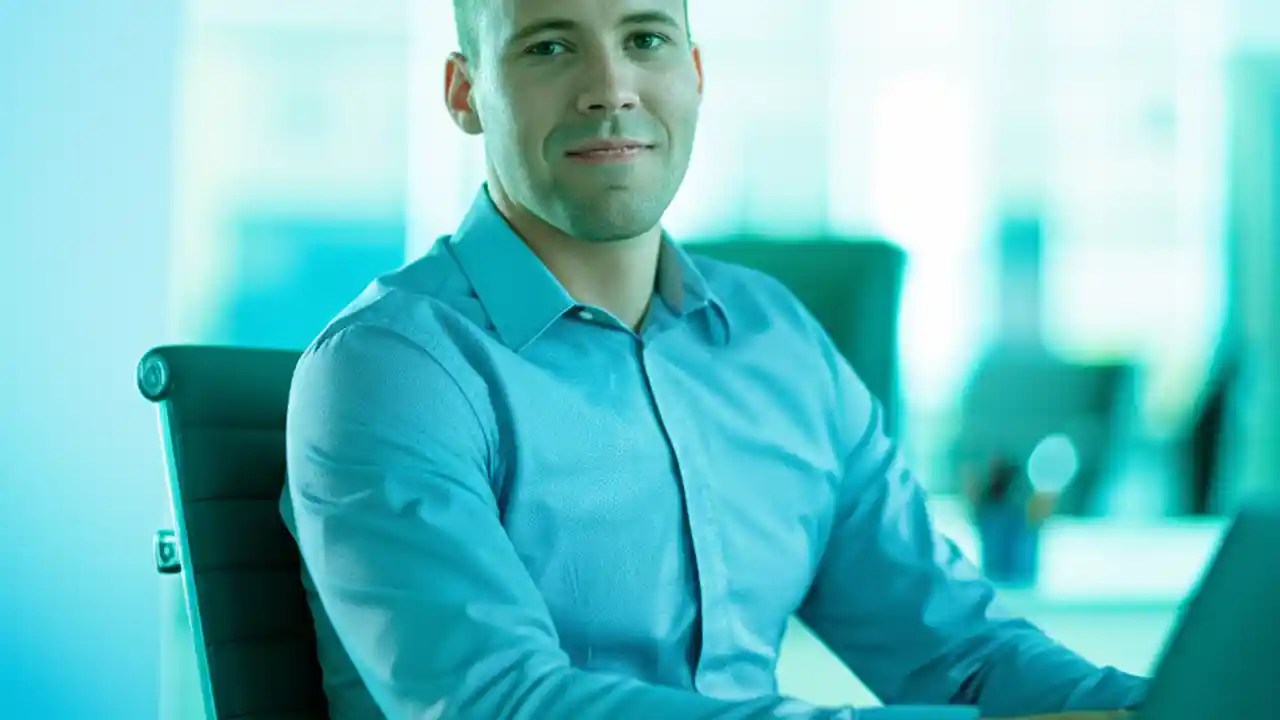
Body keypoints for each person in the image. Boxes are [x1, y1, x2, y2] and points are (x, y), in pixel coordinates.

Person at [279, 0, 1148, 718]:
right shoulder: (390, 369)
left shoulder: (775, 341)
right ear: (466, 92)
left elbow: (962, 652)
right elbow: (502, 706)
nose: (610, 88)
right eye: (550, 47)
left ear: (694, 74)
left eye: (645, 40)